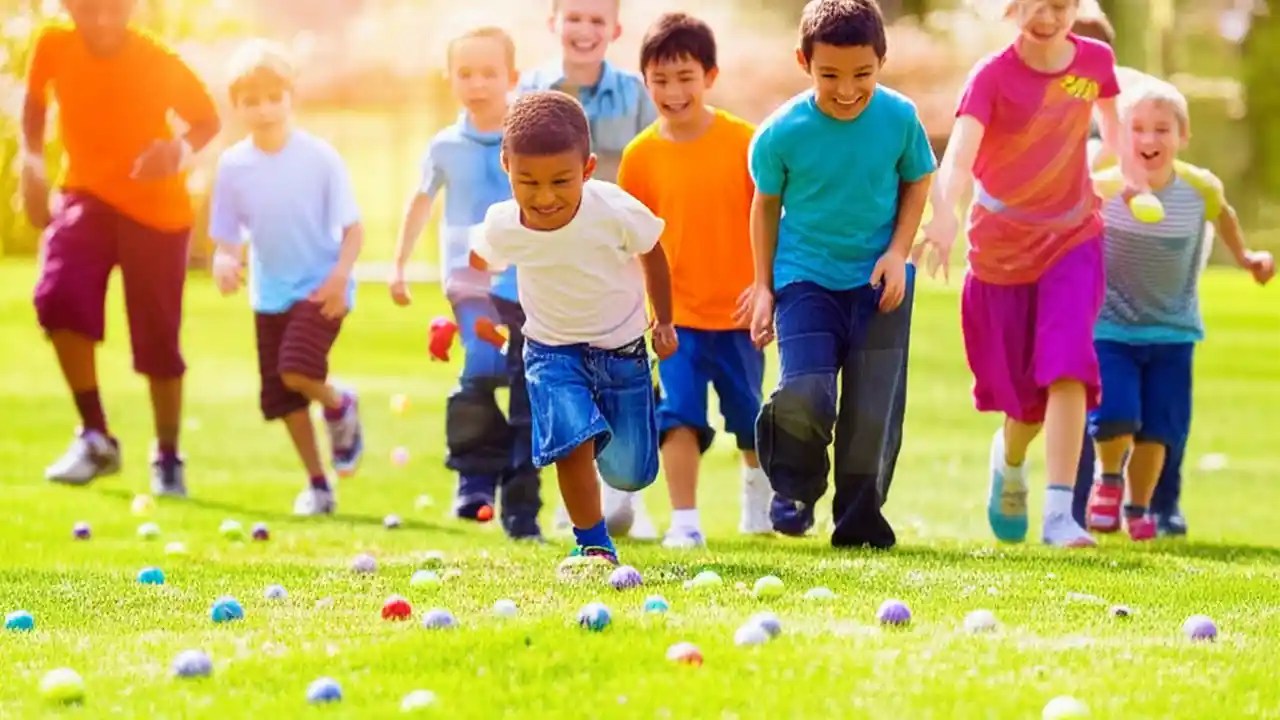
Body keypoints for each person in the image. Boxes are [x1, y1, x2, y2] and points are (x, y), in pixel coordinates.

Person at [920, 0, 1138, 548]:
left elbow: (1114, 136)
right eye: (1035, 4)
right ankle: (1010, 458)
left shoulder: (1095, 62)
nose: (1049, 16)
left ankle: (1060, 515)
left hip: (1074, 239)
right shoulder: (991, 78)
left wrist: (1128, 177)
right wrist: (943, 218)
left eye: (1061, 5)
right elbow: (960, 158)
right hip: (1001, 254)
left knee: (1069, 364)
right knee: (1024, 404)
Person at [746, 0, 935, 549]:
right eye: (830, 75)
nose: (847, 89)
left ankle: (857, 519)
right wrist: (762, 285)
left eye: (862, 75)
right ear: (803, 61)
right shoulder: (782, 133)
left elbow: (918, 180)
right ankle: (795, 488)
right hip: (805, 280)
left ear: (882, 60)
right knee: (805, 389)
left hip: (878, 283)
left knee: (872, 410)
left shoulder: (899, 118)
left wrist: (898, 252)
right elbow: (763, 206)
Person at [469, 90, 677, 566]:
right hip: (549, 350)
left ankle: (611, 476)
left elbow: (653, 251)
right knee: (571, 443)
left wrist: (663, 319)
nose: (544, 197)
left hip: (621, 350)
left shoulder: (613, 209)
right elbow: (481, 255)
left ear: (586, 168)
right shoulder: (505, 223)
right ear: (506, 166)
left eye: (561, 181)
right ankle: (593, 544)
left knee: (629, 472)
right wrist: (471, 296)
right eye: (528, 181)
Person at [25, 0, 220, 496]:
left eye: (116, 11)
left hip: (156, 208)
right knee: (58, 296)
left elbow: (207, 120)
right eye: (90, 12)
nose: (104, 22)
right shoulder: (53, 43)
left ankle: (168, 456)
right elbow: (34, 102)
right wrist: (32, 162)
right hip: (87, 196)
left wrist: (175, 153)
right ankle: (95, 436)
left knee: (157, 340)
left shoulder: (156, 60)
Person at [1084, 79, 1275, 539]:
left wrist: (1247, 257)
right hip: (1111, 329)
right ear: (1120, 137)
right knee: (1116, 414)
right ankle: (1107, 480)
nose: (1149, 140)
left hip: (1173, 331)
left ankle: (1140, 504)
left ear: (1182, 136)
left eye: (1162, 129)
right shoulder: (1103, 189)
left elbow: (1224, 215)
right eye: (1138, 129)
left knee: (1159, 429)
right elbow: (1067, 223)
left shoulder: (1199, 188)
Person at [616, 12, 772, 549]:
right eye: (660, 80)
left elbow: (772, 222)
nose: (673, 91)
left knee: (751, 419)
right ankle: (685, 521)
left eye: (685, 78)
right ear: (645, 82)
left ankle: (758, 500)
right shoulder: (639, 158)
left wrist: (766, 291)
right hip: (674, 321)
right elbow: (632, 244)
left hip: (738, 316)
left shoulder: (747, 144)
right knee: (677, 416)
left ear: (710, 75)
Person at [514, 0, 661, 540]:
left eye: (596, 20)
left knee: (625, 381)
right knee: (560, 384)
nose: (584, 29)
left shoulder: (634, 95)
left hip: (618, 260)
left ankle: (627, 499)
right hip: (554, 265)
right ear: (554, 23)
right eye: (574, 17)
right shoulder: (529, 89)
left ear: (614, 29)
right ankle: (580, 505)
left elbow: (651, 169)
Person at [389, 27, 542, 540]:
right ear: (450, 78)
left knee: (529, 393)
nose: (477, 84)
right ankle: (475, 479)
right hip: (471, 284)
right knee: (480, 367)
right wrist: (399, 264)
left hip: (531, 289)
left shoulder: (528, 137)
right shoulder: (444, 146)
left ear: (513, 77)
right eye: (465, 73)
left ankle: (522, 510)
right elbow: (420, 202)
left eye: (490, 73)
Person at [208, 39, 365, 515]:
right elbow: (228, 234)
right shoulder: (233, 166)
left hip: (321, 287)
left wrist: (340, 277)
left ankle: (339, 406)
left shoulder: (319, 158)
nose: (264, 109)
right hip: (268, 294)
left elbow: (353, 229)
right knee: (284, 398)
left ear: (291, 96)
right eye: (251, 101)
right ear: (236, 106)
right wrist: (224, 260)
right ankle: (318, 485)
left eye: (273, 97)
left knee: (295, 369)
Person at [1068, 14, 1191, 536]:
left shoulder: (1133, 99)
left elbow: (1157, 157)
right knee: (1087, 402)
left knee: (1159, 411)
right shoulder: (1033, 91)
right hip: (1081, 280)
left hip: (1139, 291)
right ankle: (1078, 504)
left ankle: (1159, 505)